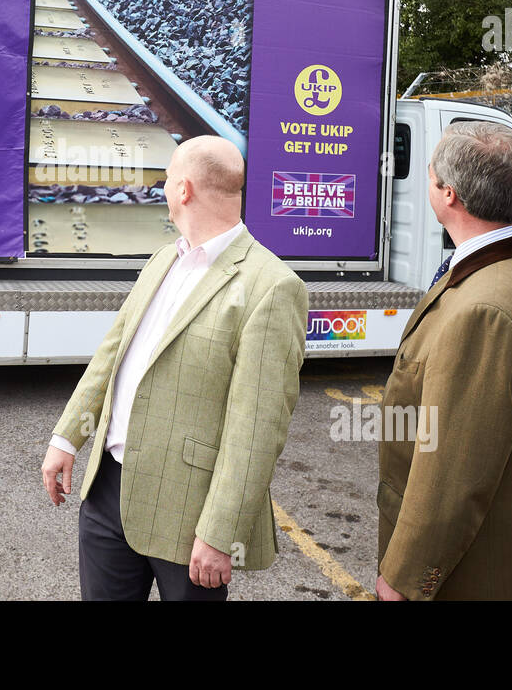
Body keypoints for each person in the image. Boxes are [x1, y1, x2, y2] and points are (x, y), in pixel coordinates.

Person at [40, 135, 310, 600]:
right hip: (107, 490)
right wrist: (67, 437)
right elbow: (113, 352)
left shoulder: (272, 286)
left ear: (184, 189)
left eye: (167, 178)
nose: (164, 187)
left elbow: (258, 427)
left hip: (191, 513)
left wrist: (220, 532)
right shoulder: (165, 258)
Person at [376, 121, 512, 601]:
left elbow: (453, 471)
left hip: (465, 576)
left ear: (449, 194)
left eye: (430, 175)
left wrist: (405, 578)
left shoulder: (483, 311)